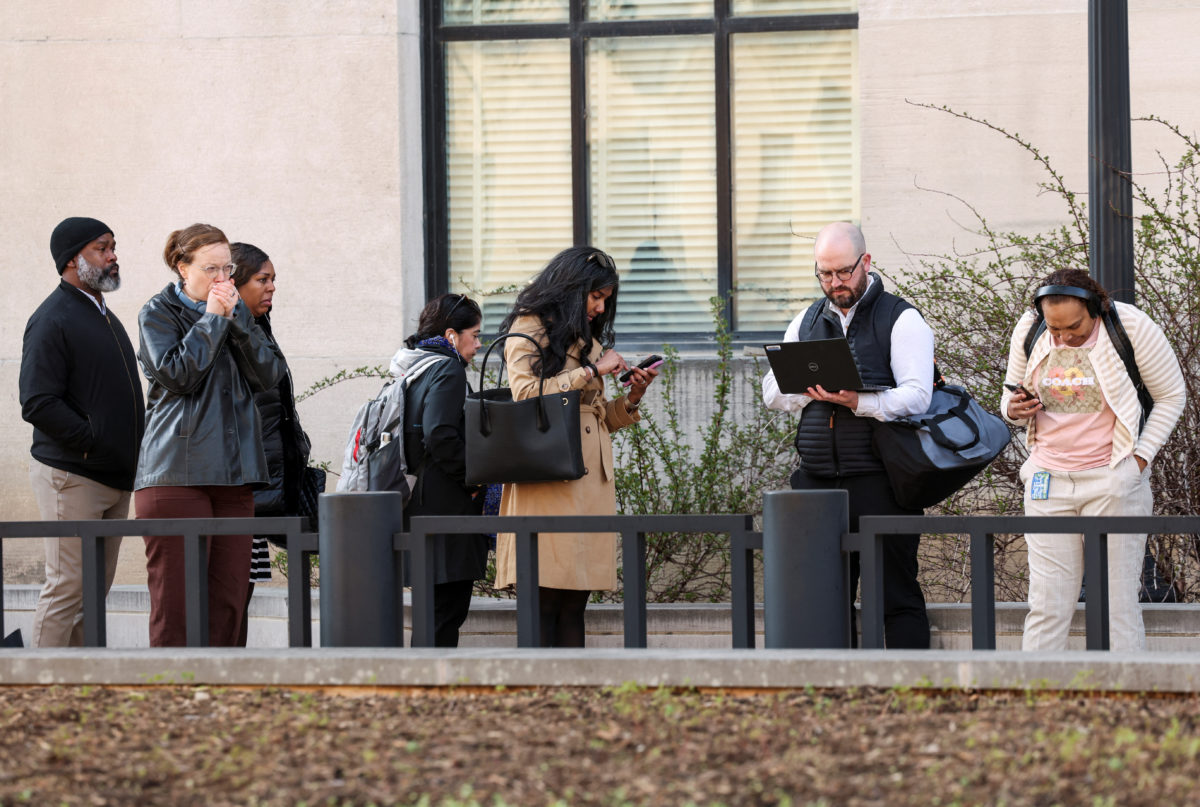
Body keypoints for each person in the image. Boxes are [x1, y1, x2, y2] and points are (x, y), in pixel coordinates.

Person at [762, 221, 933, 649]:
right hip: (816, 480)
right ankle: (828, 697)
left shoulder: (902, 317)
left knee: (896, 596)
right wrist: (807, 390)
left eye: (843, 272)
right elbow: (770, 391)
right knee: (819, 600)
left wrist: (860, 402)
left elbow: (918, 396)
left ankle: (911, 695)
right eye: (824, 274)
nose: (834, 283)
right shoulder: (806, 319)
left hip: (884, 481)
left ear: (866, 262)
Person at [1001, 269, 1185, 651]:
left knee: (1116, 606)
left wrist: (1137, 462)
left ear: (1096, 310)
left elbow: (1171, 396)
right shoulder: (1031, 328)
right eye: (1056, 330)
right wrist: (1014, 409)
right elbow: (1008, 399)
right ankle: (1035, 700)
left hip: (1112, 479)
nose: (1065, 338)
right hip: (1047, 481)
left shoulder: (1129, 326)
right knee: (1047, 606)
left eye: (1075, 329)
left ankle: (1125, 700)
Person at [495, 246, 659, 647]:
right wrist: (591, 371)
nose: (601, 308)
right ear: (571, 288)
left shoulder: (584, 337)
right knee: (544, 599)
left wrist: (633, 397)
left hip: (590, 484)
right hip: (547, 481)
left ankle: (575, 694)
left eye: (606, 299)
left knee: (575, 604)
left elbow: (597, 417)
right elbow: (525, 396)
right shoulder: (529, 327)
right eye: (596, 297)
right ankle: (539, 693)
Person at [134, 224, 284, 647]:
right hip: (175, 473)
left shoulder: (238, 312)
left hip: (235, 475)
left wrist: (236, 321)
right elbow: (179, 375)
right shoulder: (157, 313)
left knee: (229, 602)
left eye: (228, 268)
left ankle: (224, 698)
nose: (223, 279)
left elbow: (270, 374)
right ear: (182, 267)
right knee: (176, 604)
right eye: (210, 268)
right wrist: (212, 320)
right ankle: (171, 698)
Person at [18, 217, 146, 647]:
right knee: (68, 589)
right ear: (72, 258)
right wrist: (91, 443)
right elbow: (37, 401)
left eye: (113, 247)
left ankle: (79, 690)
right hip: (74, 476)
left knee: (93, 594)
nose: (113, 257)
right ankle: (37, 688)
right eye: (101, 248)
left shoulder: (103, 316)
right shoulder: (52, 318)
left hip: (113, 478)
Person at [229, 242, 313, 646]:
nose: (272, 287)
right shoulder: (229, 326)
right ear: (235, 283)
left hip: (261, 484)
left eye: (273, 279)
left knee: (242, 587)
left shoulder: (258, 325)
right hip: (242, 486)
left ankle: (231, 665)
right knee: (230, 591)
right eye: (262, 279)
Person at [397, 293, 490, 647]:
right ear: (452, 335)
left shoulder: (416, 366)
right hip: (446, 509)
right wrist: (473, 477)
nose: (479, 345)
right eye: (475, 334)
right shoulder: (448, 369)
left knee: (432, 614)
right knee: (444, 615)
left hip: (422, 505)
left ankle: (423, 689)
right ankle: (430, 690)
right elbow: (440, 434)